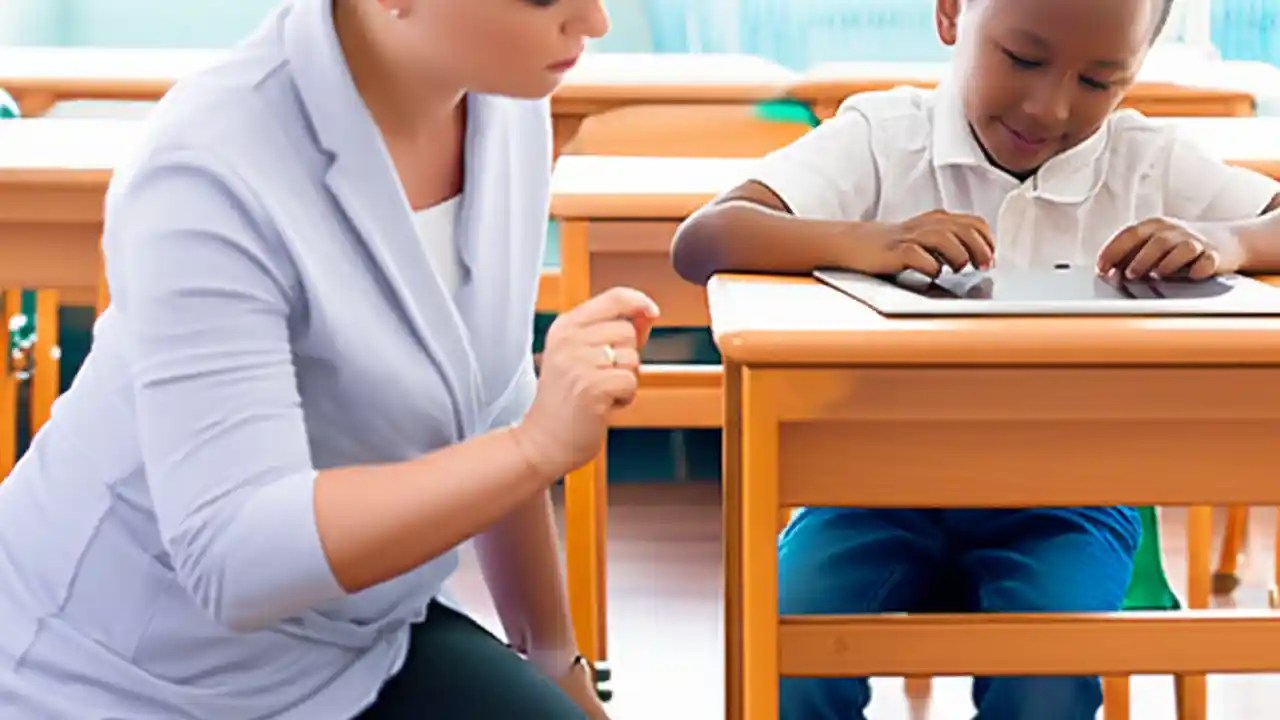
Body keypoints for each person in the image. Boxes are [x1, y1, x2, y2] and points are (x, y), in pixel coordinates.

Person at [0, 0, 657, 718]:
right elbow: (235, 558)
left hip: (360, 636)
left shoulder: (504, 104)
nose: (594, 21)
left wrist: (555, 662)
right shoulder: (208, 164)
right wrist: (533, 448)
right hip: (121, 670)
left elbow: (491, 397)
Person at [671, 0, 1280, 717]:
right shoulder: (884, 137)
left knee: (1047, 678)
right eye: (1022, 59)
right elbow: (704, 240)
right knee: (787, 647)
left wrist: (1232, 242)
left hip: (1069, 500)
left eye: (1098, 81)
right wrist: (861, 242)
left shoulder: (1148, 161)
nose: (1049, 106)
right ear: (952, 13)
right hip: (871, 487)